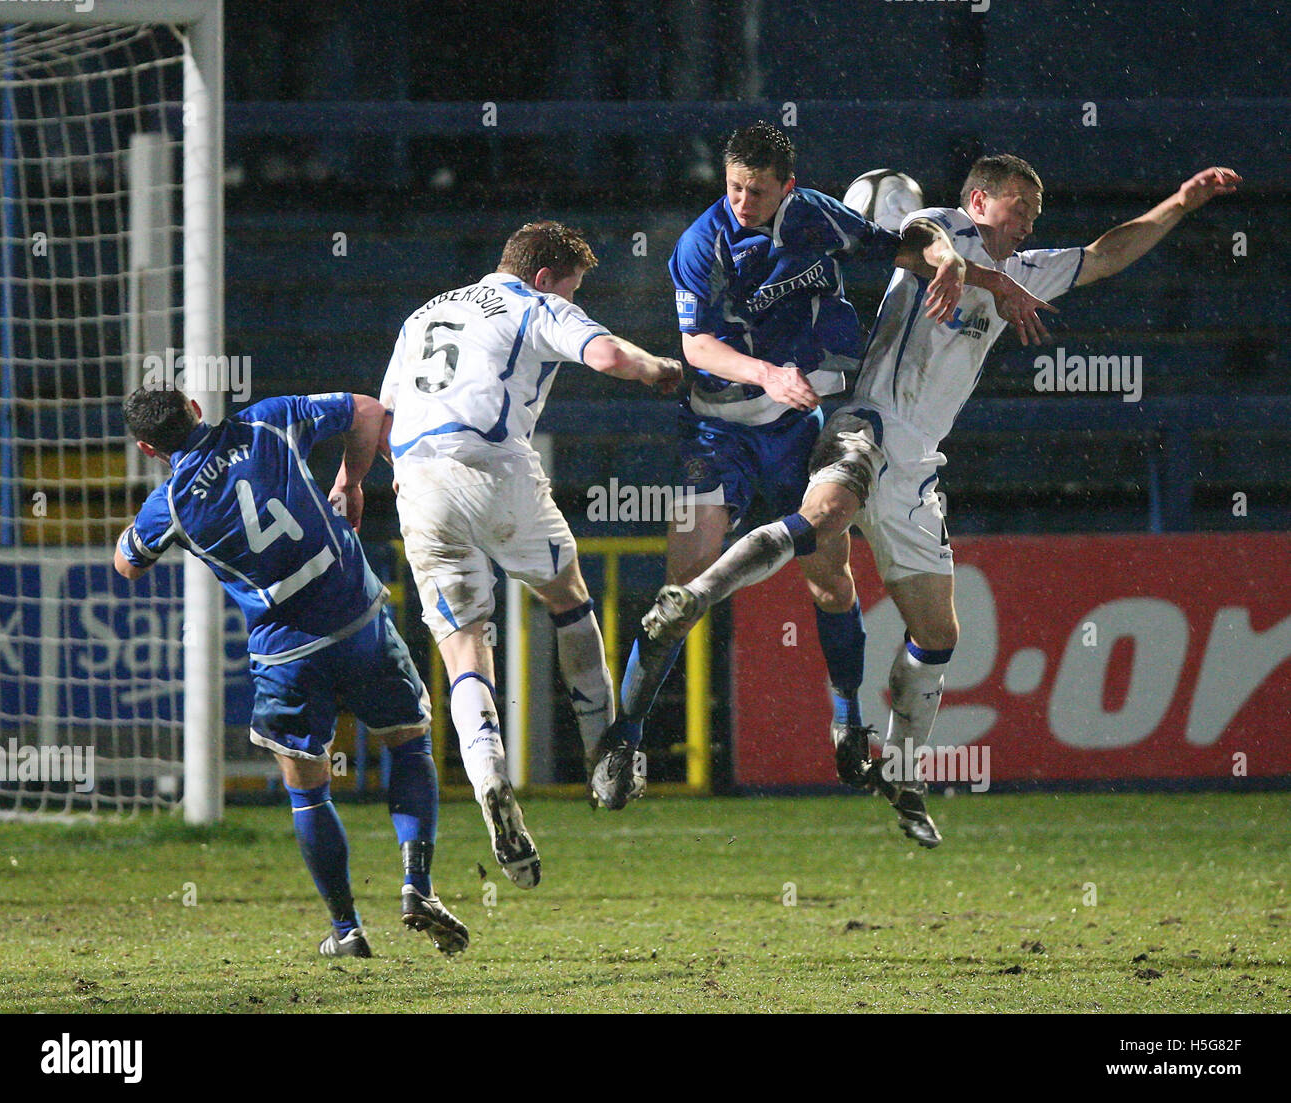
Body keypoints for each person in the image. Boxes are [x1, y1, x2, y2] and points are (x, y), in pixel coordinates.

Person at [643, 157, 1243, 847]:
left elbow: (1107, 254)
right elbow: (920, 234)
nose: (1027, 224)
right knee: (822, 520)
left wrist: (1180, 201)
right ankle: (695, 596)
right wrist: (960, 264)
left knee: (938, 635)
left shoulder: (1027, 270)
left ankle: (903, 776)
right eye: (1017, 208)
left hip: (919, 468)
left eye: (1034, 215)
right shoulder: (939, 230)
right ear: (979, 201)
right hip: (867, 425)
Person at [590, 123, 1045, 811]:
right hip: (715, 429)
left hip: (796, 426)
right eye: (734, 187)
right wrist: (769, 373)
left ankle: (848, 722)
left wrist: (963, 266)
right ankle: (623, 740)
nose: (743, 202)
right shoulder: (700, 244)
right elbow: (698, 347)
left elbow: (906, 246)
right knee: (681, 586)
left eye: (757, 191)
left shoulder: (814, 217)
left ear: (788, 188)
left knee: (832, 579)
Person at [115, 385, 468, 959]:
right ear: (195, 409)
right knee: (408, 745)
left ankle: (347, 928)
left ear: (148, 449)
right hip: (358, 621)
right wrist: (350, 482)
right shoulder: (268, 423)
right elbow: (368, 411)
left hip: (288, 655)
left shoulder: (170, 505)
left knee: (307, 790)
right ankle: (417, 884)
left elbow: (128, 564)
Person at [380, 220, 682, 876]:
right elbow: (608, 357)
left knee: (463, 647)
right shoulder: (535, 305)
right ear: (544, 278)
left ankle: (489, 778)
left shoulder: (423, 314)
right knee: (568, 598)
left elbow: (386, 417)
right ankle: (604, 755)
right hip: (492, 465)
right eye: (572, 290)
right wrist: (659, 368)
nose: (572, 302)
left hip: (417, 479)